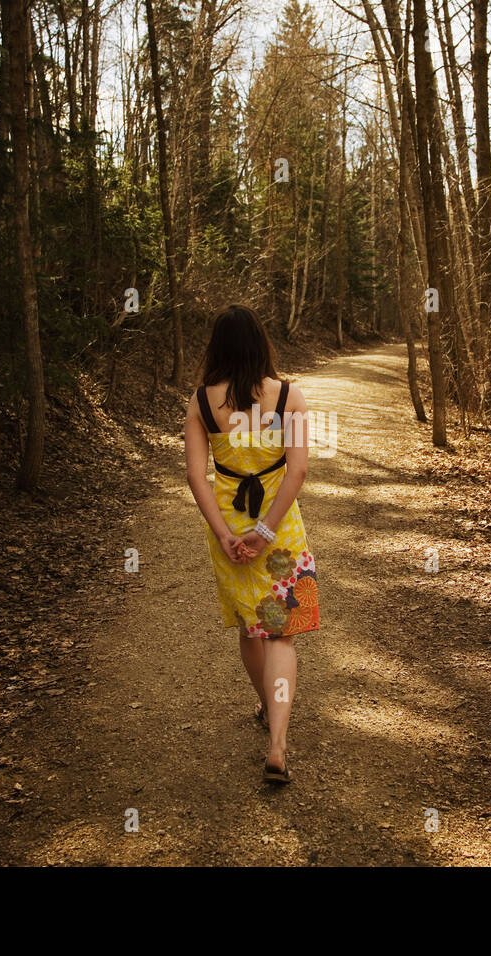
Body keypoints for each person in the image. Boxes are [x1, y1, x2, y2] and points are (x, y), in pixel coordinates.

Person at [184, 304, 319, 785]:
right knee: (280, 632)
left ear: (216, 348)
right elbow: (298, 470)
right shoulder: (291, 397)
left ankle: (267, 705)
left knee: (249, 628)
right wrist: (266, 531)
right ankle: (278, 744)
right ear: (262, 344)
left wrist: (226, 534)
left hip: (228, 524)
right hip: (278, 526)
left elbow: (195, 476)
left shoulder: (201, 402)